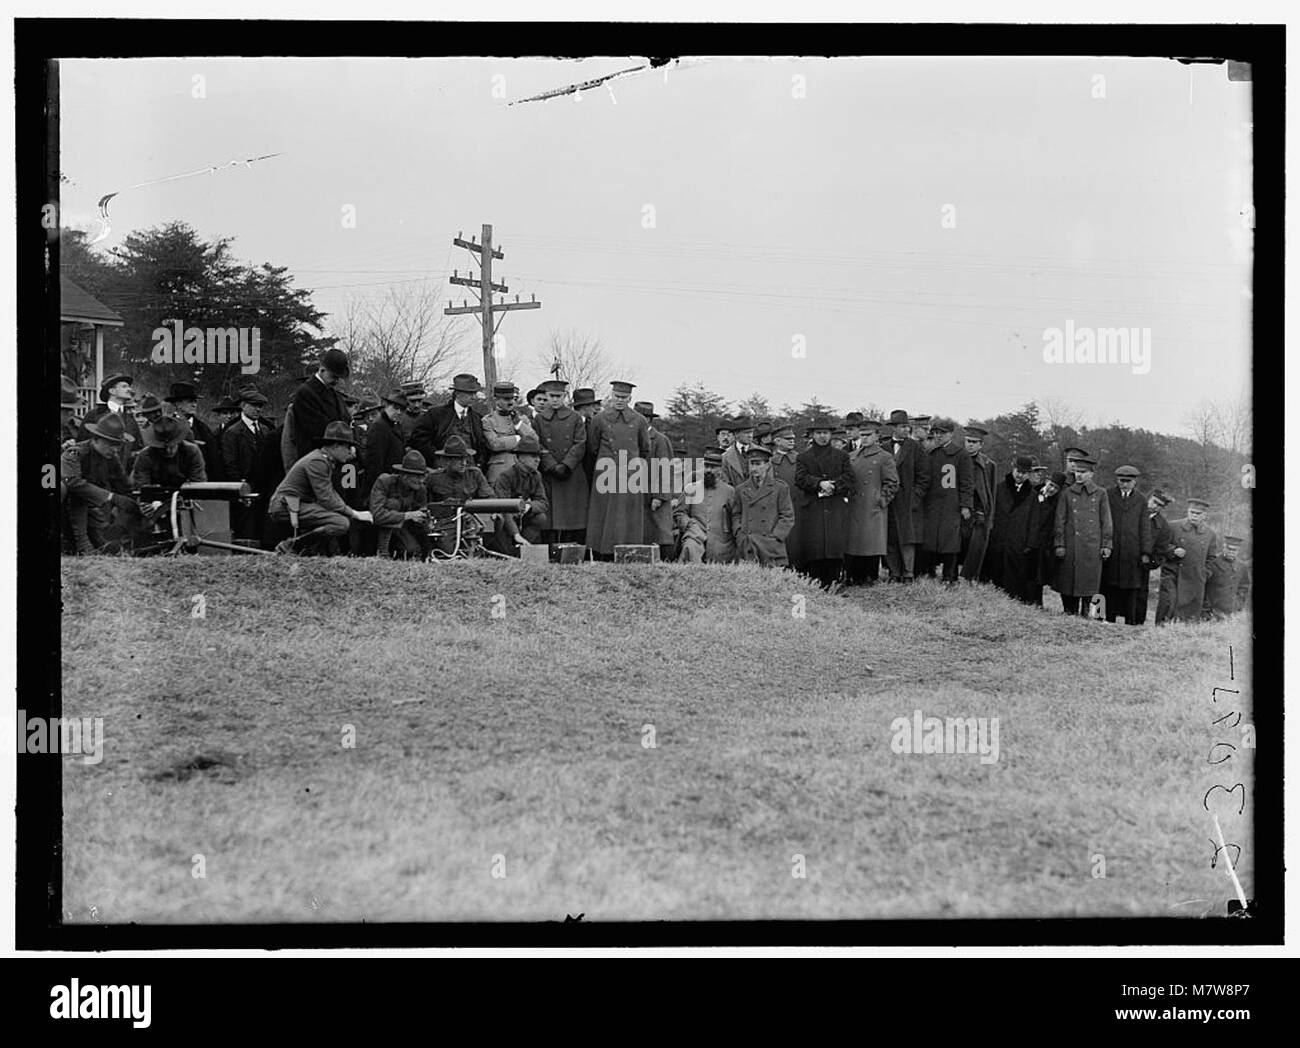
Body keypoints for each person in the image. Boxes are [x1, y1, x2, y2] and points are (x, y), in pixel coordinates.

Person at [268, 421, 372, 555]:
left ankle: (307, 551)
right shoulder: (318, 462)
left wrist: (349, 511)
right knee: (340, 523)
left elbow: (330, 494)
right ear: (335, 446)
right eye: (347, 446)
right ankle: (292, 546)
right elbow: (326, 498)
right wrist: (355, 513)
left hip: (295, 503)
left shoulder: (324, 460)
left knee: (341, 518)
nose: (350, 451)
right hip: (286, 505)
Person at [61, 412, 148, 554]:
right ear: (95, 440)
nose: (114, 450)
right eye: (110, 444)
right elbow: (72, 481)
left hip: (93, 514)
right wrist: (111, 497)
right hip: (67, 512)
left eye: (118, 446)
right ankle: (82, 544)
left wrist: (134, 503)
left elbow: (123, 486)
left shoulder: (111, 457)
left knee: (106, 546)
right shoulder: (74, 452)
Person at [585, 380, 651, 559]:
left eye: (624, 397)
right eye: (617, 396)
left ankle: (629, 551)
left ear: (630, 398)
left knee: (627, 515)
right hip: (606, 472)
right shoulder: (599, 419)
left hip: (630, 473)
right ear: (611, 396)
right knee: (603, 513)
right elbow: (592, 447)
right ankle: (601, 553)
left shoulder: (639, 420)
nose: (620, 400)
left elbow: (644, 448)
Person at [793, 416, 854, 587]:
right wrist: (819, 483)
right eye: (819, 433)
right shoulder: (803, 457)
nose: (822, 436)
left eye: (826, 433)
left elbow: (849, 479)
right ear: (812, 435)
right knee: (815, 547)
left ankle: (834, 581)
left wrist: (833, 487)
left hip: (835, 507)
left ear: (831, 435)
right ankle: (815, 582)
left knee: (834, 546)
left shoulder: (842, 456)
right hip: (813, 508)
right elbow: (800, 479)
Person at [1053, 456, 1113, 616]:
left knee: (1091, 583)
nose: (1079, 475)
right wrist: (1059, 544)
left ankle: (1091, 616)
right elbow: (1060, 520)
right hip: (1072, 546)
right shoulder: (1067, 493)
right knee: (1068, 582)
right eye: (1077, 471)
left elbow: (1106, 521)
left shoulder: (1101, 494)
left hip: (1092, 547)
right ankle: (1069, 613)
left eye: (1083, 472)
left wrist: (1107, 545)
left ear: (1091, 474)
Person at [533, 378, 589, 544]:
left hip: (571, 474)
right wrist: (550, 465)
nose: (555, 399)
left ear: (565, 396)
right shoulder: (539, 419)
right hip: (549, 474)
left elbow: (580, 443)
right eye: (551, 396)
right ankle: (551, 549)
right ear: (546, 396)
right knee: (550, 517)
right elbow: (538, 443)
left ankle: (572, 549)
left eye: (559, 396)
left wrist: (566, 465)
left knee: (572, 516)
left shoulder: (575, 418)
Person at [844, 419, 899, 585]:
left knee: (871, 543)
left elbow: (893, 482)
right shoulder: (852, 456)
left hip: (872, 506)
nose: (865, 438)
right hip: (854, 506)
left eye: (868, 435)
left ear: (877, 436)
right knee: (854, 542)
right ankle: (853, 576)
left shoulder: (884, 457)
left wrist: (881, 500)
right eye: (862, 435)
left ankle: (870, 576)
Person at [1100, 465, 1154, 624]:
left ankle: (1130, 622)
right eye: (1121, 481)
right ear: (1117, 480)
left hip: (1132, 552)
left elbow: (1145, 526)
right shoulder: (1107, 495)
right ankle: (1104, 619)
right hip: (1112, 549)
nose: (1124, 484)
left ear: (1135, 482)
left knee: (1130, 587)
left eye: (1128, 481)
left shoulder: (1141, 500)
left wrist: (1145, 552)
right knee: (1107, 585)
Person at [921, 418, 973, 583]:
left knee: (950, 541)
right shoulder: (930, 454)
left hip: (951, 505)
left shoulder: (961, 455)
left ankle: (949, 576)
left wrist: (965, 505)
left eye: (942, 433)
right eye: (935, 433)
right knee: (930, 540)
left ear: (951, 434)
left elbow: (967, 483)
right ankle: (928, 572)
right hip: (932, 505)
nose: (938, 436)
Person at [424, 435, 495, 556]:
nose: (464, 463)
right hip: (446, 522)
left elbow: (489, 498)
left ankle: (481, 552)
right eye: (458, 459)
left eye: (465, 459)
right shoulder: (433, 479)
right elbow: (424, 504)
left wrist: (480, 513)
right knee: (447, 550)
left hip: (472, 519)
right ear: (447, 461)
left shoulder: (474, 474)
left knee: (496, 521)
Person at [729, 444, 795, 567]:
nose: (754, 468)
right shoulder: (740, 490)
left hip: (771, 547)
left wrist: (776, 537)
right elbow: (736, 515)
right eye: (751, 464)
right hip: (747, 545)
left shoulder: (780, 488)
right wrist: (740, 534)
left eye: (758, 464)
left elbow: (787, 516)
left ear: (767, 465)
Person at [883, 408, 929, 583]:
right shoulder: (884, 447)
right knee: (890, 537)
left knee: (908, 538)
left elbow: (924, 476)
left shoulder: (915, 448)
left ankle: (908, 573)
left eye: (907, 426)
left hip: (908, 501)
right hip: (889, 501)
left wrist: (915, 497)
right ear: (893, 428)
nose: (906, 430)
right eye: (902, 427)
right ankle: (894, 572)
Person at [285, 348, 352, 467]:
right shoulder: (305, 393)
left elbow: (345, 420)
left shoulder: (334, 394)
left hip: (333, 459)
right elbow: (318, 430)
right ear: (322, 369)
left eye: (338, 378)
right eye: (334, 376)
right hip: (314, 461)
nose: (336, 381)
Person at [1156, 498, 1218, 623]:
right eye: (1192, 512)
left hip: (1195, 578)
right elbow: (1160, 545)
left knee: (1189, 613)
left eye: (1198, 513)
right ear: (1187, 512)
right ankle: (1161, 632)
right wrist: (1172, 551)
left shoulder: (1210, 534)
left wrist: (1204, 573)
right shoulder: (1173, 526)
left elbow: (1211, 558)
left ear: (1205, 516)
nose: (1194, 516)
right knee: (1169, 603)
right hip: (1172, 573)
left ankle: (1184, 634)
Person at [221, 390, 273, 539]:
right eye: (254, 405)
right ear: (243, 406)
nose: (258, 409)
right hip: (243, 487)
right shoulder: (233, 432)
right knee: (245, 526)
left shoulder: (264, 430)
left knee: (262, 524)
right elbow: (229, 463)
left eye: (261, 406)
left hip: (262, 487)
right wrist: (240, 486)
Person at [410, 373, 488, 470]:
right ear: (458, 394)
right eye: (470, 393)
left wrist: (479, 464)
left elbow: (482, 447)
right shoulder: (436, 414)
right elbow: (419, 439)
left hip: (470, 472)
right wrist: (435, 460)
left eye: (475, 393)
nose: (474, 397)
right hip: (443, 472)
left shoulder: (477, 419)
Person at [987, 455, 1038, 600]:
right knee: (996, 572)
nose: (1019, 475)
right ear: (1012, 468)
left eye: (1024, 472)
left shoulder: (1033, 495)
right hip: (999, 539)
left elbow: (1034, 522)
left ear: (1028, 474)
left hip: (1019, 543)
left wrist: (1030, 544)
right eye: (1017, 471)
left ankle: (1013, 601)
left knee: (1015, 577)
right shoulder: (998, 488)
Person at [492, 434, 550, 554]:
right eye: (533, 456)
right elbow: (503, 508)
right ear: (520, 457)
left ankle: (525, 550)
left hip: (523, 517)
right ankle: (508, 552)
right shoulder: (505, 477)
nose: (538, 460)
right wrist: (516, 534)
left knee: (541, 518)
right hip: (507, 520)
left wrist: (529, 506)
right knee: (500, 520)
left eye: (538, 456)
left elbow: (543, 503)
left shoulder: (536, 476)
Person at [370, 449, 430, 559]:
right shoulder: (385, 482)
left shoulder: (420, 490)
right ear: (404, 475)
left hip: (404, 529)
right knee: (393, 504)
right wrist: (408, 515)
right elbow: (377, 515)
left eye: (422, 476)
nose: (421, 480)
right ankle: (382, 552)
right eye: (417, 476)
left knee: (413, 550)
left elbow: (421, 513)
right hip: (377, 529)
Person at [78, 372, 140, 471]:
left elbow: (137, 449)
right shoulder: (93, 416)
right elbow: (81, 445)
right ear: (112, 391)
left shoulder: (131, 420)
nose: (129, 389)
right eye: (124, 386)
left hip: (121, 479)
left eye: (129, 386)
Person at [638, 401, 676, 561]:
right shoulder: (634, 438)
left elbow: (666, 469)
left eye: (642, 418)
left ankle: (666, 563)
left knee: (660, 532)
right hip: (638, 492)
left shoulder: (660, 440)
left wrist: (659, 496)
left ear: (648, 420)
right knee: (642, 532)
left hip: (654, 496)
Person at [481, 381, 538, 484]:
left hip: (522, 468)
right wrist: (519, 439)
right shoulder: (488, 420)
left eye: (513, 398)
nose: (511, 402)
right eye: (506, 399)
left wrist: (518, 425)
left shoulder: (522, 419)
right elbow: (494, 444)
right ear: (496, 400)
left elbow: (534, 440)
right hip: (500, 469)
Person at [961, 424, 997, 581]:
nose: (970, 444)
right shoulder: (957, 459)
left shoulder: (989, 465)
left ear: (981, 445)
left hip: (979, 510)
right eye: (968, 441)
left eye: (974, 442)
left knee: (976, 546)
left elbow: (991, 493)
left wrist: (989, 515)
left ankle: (970, 576)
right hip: (959, 507)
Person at [130, 415, 207, 489]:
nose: (168, 451)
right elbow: (142, 486)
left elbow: (198, 482)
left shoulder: (191, 452)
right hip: (154, 498)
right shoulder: (145, 456)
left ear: (178, 441)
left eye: (172, 446)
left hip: (186, 495)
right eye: (162, 448)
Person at [1134, 489, 1175, 625]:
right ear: (1148, 498)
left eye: (1159, 505)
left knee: (1139, 596)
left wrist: (1147, 563)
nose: (1155, 506)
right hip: (1119, 560)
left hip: (1141, 567)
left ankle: (1135, 626)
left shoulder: (1163, 527)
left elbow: (1160, 553)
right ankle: (1099, 618)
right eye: (1154, 502)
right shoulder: (1132, 511)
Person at [361, 389, 409, 505]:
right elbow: (374, 463)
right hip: (382, 483)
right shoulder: (379, 427)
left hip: (394, 481)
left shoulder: (397, 426)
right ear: (386, 406)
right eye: (395, 408)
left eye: (402, 409)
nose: (398, 412)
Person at [165, 382, 221, 481]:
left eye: (195, 401)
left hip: (200, 484)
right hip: (172, 483)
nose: (194, 404)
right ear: (177, 403)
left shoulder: (204, 429)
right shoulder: (165, 427)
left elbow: (214, 461)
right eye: (190, 401)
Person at [1204, 536, 1251, 619]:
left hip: (1231, 612)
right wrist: (1206, 607)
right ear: (1223, 548)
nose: (1231, 552)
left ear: (1238, 551)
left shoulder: (1241, 566)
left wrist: (1238, 604)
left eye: (1234, 550)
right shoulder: (1212, 563)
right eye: (1229, 549)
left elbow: (1244, 587)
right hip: (1211, 612)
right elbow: (1202, 585)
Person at [572, 387, 601, 487]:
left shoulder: (592, 424)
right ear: (584, 407)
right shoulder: (570, 423)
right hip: (573, 471)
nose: (594, 409)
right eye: (592, 405)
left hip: (589, 471)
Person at [720, 414, 755, 489]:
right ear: (736, 434)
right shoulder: (725, 457)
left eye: (751, 432)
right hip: (736, 498)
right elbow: (725, 484)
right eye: (746, 433)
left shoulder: (762, 453)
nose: (750, 435)